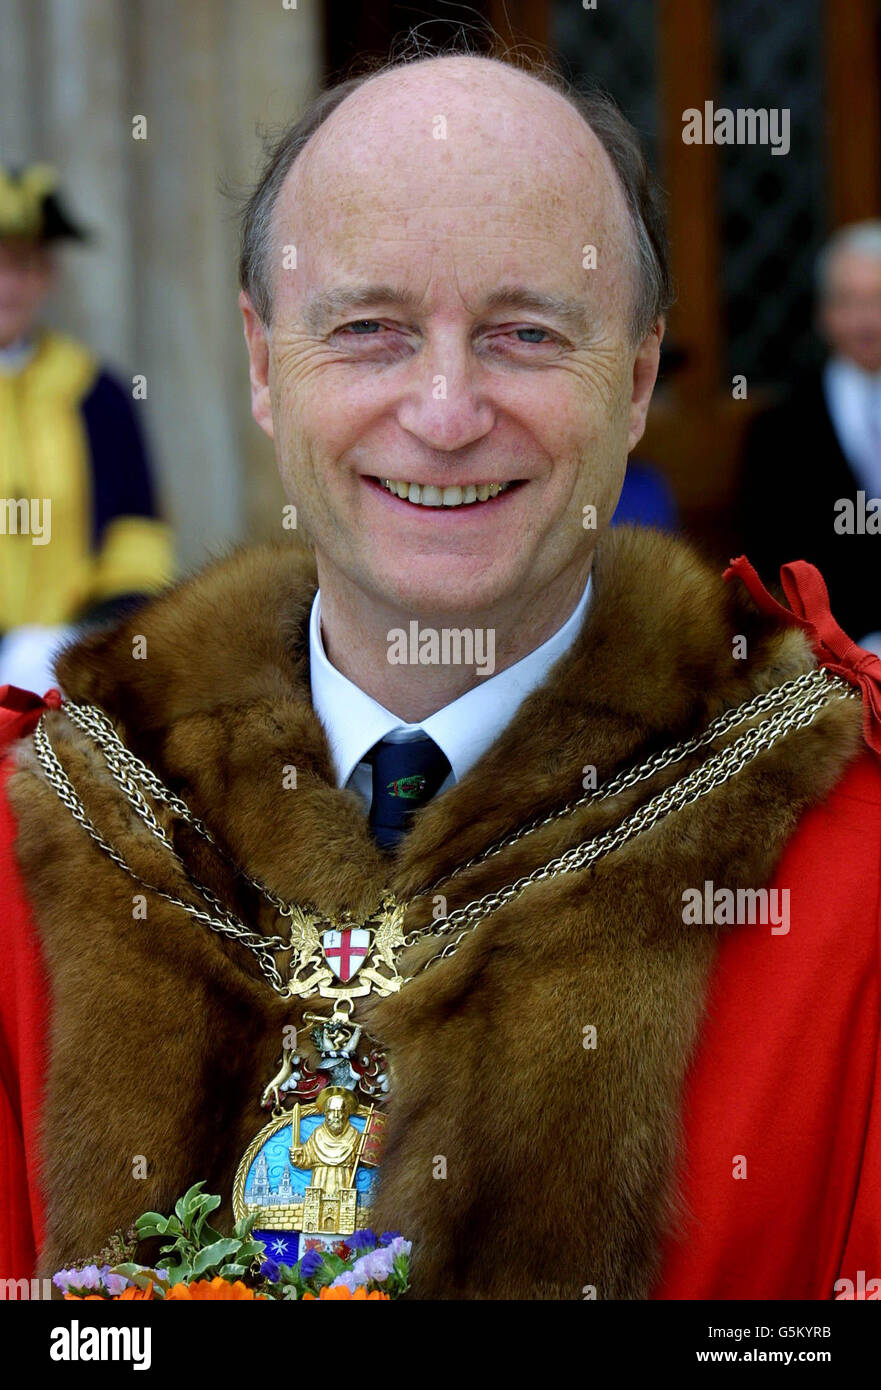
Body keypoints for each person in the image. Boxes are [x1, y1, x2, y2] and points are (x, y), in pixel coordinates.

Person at [1, 49, 880, 1302]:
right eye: (369, 329)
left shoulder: (852, 870)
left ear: (634, 381)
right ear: (262, 364)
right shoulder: (49, 829)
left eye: (526, 332)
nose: (447, 408)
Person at [0, 162, 173, 691]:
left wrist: (81, 644)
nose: (8, 284)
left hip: (65, 677)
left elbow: (137, 545)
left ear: (48, 275)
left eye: (25, 265)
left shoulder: (98, 395)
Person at [739, 221, 881, 647]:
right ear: (823, 314)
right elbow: (772, 571)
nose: (866, 322)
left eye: (878, 299)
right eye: (848, 301)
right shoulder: (778, 432)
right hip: (830, 667)